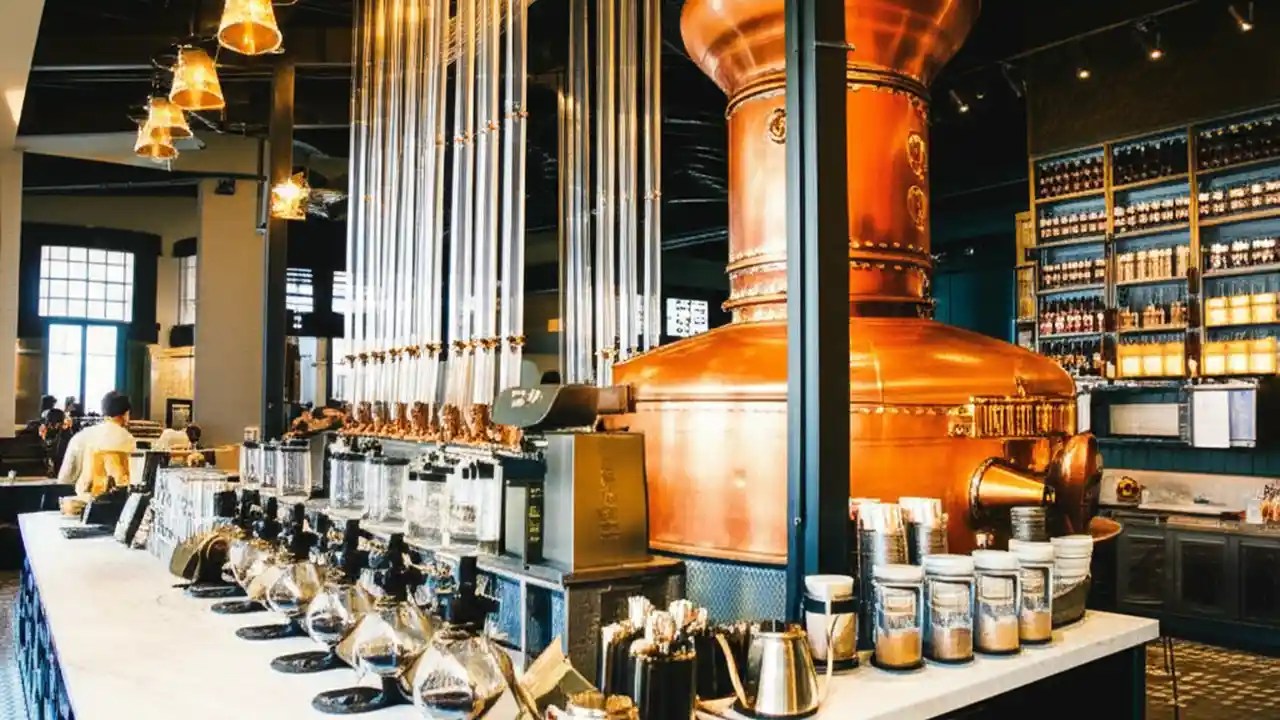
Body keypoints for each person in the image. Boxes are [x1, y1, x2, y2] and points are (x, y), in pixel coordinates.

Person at [58, 391, 137, 494]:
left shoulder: (81, 436)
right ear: (126, 414)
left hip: (85, 498)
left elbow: (65, 477)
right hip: (120, 500)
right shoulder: (130, 440)